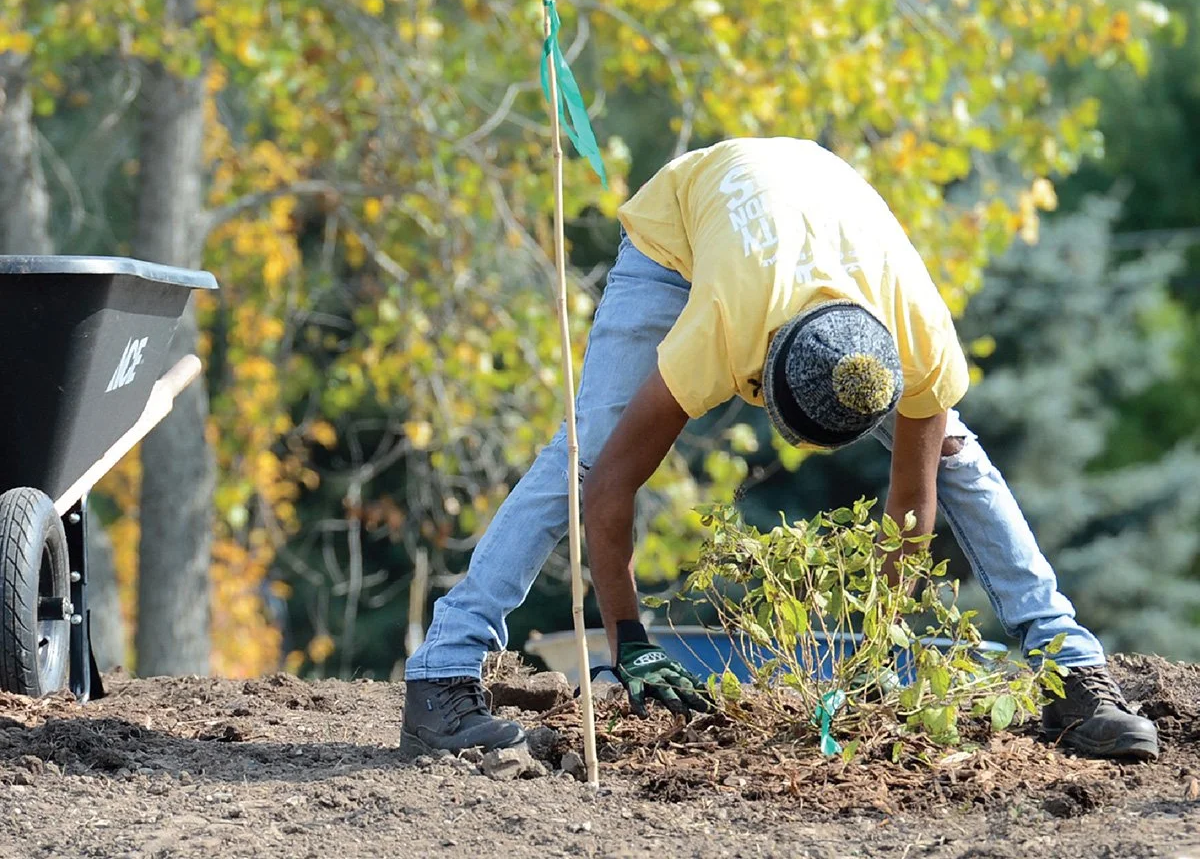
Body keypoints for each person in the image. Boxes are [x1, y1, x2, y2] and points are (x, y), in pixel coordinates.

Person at [400, 137, 1158, 762]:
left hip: (825, 208)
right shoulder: (725, 325)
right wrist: (629, 641)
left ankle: (1072, 664)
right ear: (756, 374)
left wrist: (874, 653)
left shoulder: (919, 337)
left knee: (955, 451)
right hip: (684, 232)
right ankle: (442, 677)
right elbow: (610, 488)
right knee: (590, 448)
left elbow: (912, 504)